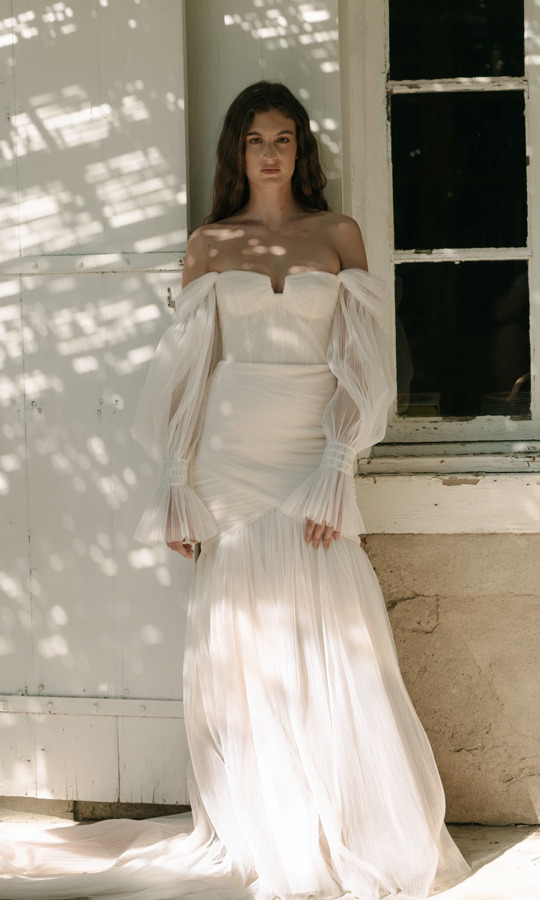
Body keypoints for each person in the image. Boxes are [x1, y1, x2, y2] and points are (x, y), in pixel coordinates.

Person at [0, 82, 470, 900]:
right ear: (237, 152)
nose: (269, 154)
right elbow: (187, 371)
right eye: (255, 140)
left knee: (334, 625)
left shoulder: (338, 234)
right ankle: (267, 819)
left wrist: (338, 462)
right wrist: (174, 483)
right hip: (230, 449)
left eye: (282, 139)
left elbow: (364, 360)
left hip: (309, 445)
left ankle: (346, 818)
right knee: (243, 637)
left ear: (300, 150)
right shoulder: (211, 243)